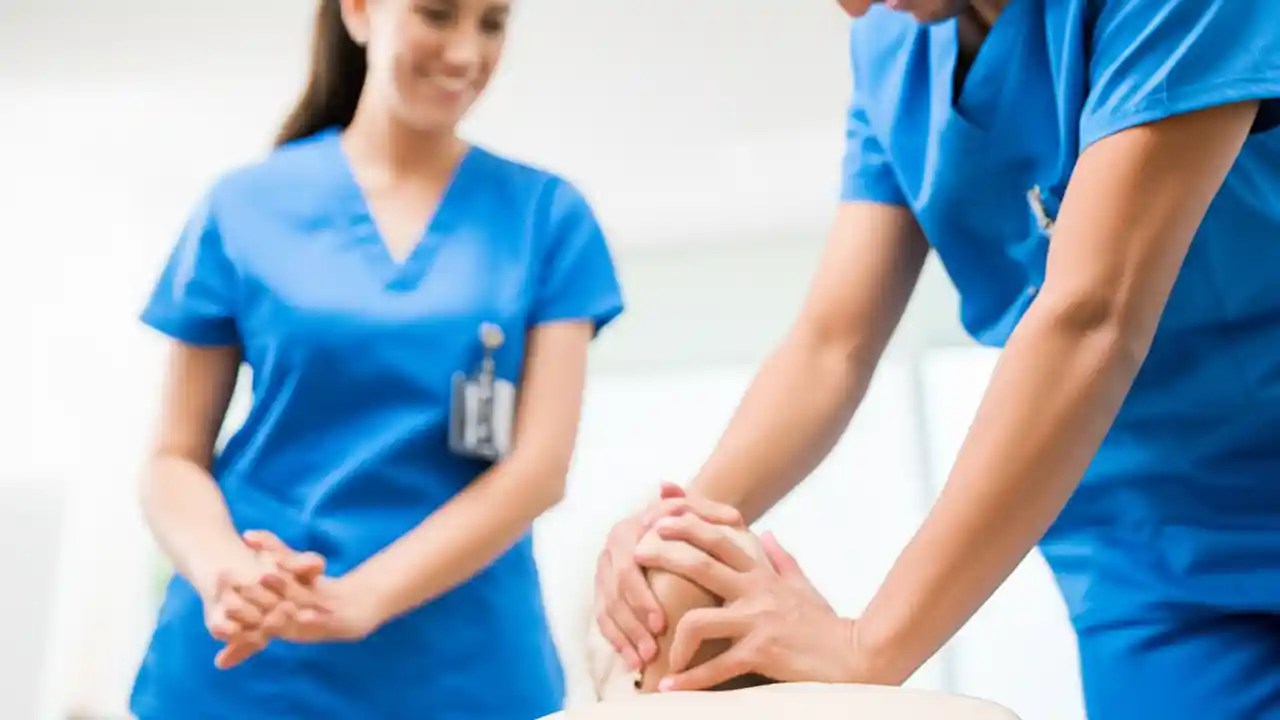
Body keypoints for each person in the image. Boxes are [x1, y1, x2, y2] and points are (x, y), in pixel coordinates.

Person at [595, 0, 1280, 718]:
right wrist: (676, 530)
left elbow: (1092, 315)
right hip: (1152, 557)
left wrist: (869, 647)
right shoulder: (892, 51)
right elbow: (833, 345)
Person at [130, 0, 624, 716]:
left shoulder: (547, 216)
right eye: (437, 14)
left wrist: (361, 598)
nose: (465, 52)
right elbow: (173, 458)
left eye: (492, 23)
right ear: (358, 11)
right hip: (250, 661)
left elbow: (537, 472)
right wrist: (227, 572)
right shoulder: (241, 207)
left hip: (464, 669)